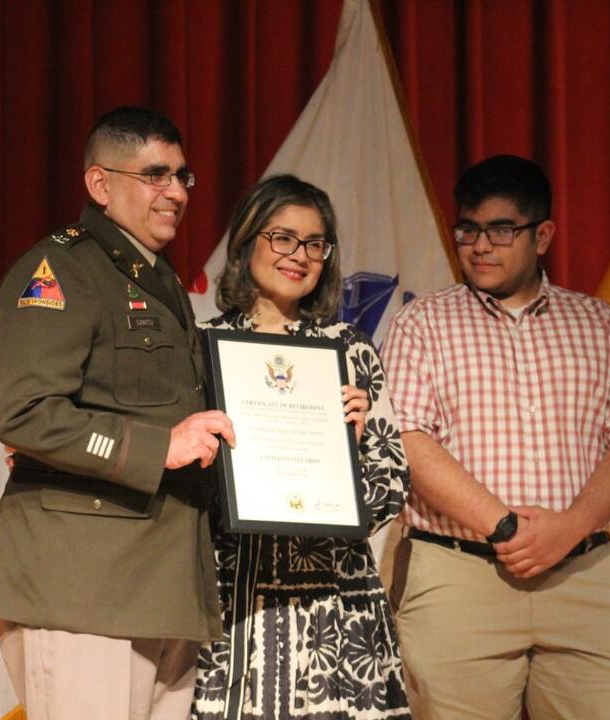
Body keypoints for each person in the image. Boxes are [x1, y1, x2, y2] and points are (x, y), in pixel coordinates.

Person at [381, 154, 610, 720]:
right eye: (468, 229)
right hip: (459, 574)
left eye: (501, 230)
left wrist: (568, 529)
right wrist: (510, 528)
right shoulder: (423, 323)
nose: (480, 245)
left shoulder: (599, 323)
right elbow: (407, 440)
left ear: (542, 235)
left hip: (586, 572)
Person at [0, 106, 235, 720]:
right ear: (100, 183)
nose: (175, 192)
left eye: (181, 176)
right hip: (84, 591)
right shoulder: (61, 271)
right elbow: (26, 413)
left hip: (163, 585)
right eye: (155, 175)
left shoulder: (156, 279)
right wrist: (157, 448)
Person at [191, 174, 412, 719]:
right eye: (283, 238)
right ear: (247, 243)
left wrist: (348, 451)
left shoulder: (350, 351)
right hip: (232, 601)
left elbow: (390, 484)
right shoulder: (203, 348)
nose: (300, 255)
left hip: (336, 608)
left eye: (315, 243)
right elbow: (182, 483)